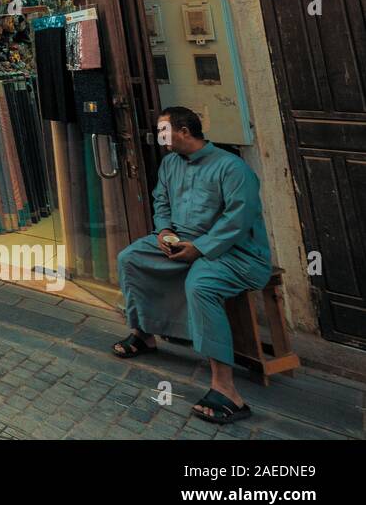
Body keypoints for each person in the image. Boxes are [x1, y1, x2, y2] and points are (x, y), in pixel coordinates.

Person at [112, 105, 271, 425]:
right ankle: (144, 333)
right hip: (182, 242)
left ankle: (227, 390)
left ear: (185, 132)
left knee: (201, 284)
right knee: (130, 258)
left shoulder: (231, 168)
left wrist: (200, 248)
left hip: (235, 253)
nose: (161, 139)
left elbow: (238, 220)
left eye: (165, 132)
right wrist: (166, 230)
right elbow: (162, 201)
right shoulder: (170, 163)